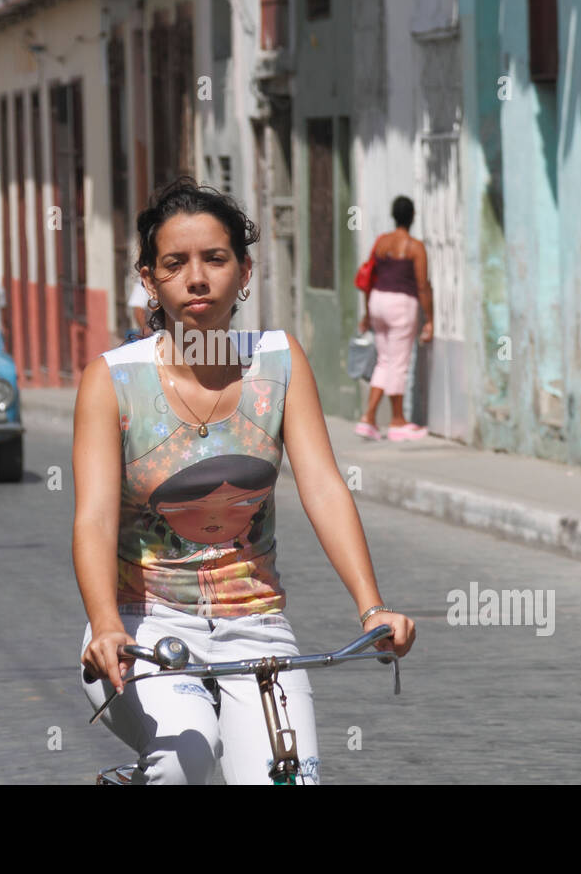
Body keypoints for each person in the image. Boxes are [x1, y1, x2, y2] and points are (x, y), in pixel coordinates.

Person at [73, 178, 417, 785]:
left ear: (245, 270)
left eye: (216, 259)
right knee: (190, 753)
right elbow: (96, 516)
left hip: (256, 626)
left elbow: (324, 488)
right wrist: (105, 624)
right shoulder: (113, 381)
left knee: (289, 777)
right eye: (175, 264)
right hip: (144, 626)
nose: (197, 278)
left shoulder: (279, 362)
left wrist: (373, 606)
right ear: (150, 280)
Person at [356, 195, 433, 442]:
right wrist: (429, 318)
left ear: (393, 215)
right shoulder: (414, 247)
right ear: (412, 216)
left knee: (384, 361)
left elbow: (370, 278)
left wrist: (367, 314)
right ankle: (397, 420)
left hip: (377, 301)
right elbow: (422, 286)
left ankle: (368, 418)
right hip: (401, 304)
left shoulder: (382, 243)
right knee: (398, 363)